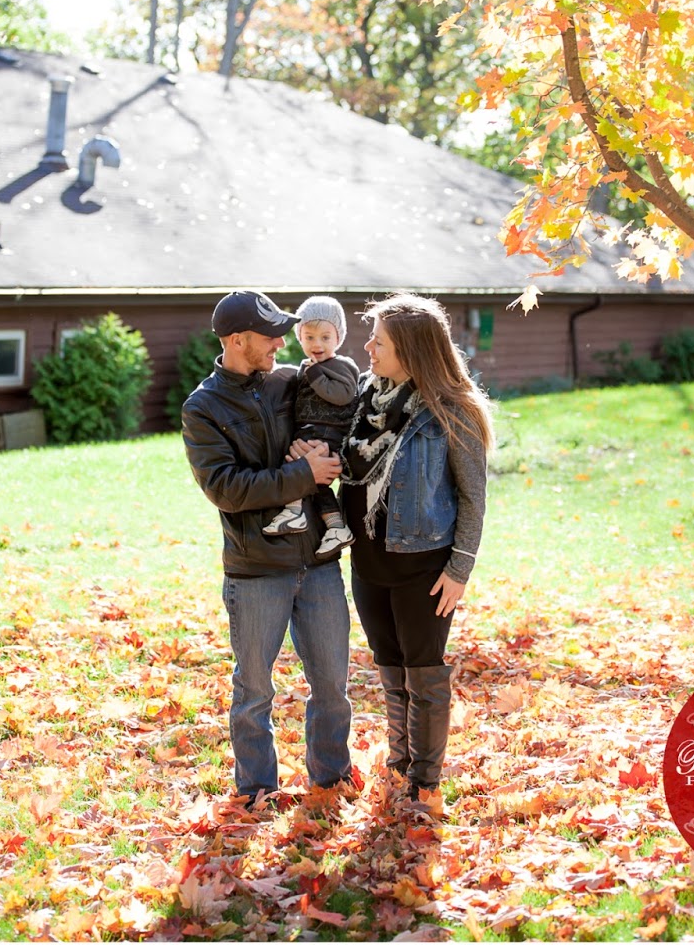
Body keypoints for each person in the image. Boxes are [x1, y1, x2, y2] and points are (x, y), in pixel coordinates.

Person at [181, 290, 352, 804]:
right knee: (254, 693)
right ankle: (256, 791)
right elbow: (227, 489)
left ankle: (332, 781)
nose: (283, 342)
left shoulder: (289, 381)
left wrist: (327, 451)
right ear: (236, 341)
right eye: (270, 334)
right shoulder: (203, 407)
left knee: (333, 690)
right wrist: (303, 474)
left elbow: (337, 414)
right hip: (256, 570)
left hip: (319, 559)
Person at [322, 293, 493, 805]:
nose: (368, 347)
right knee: (389, 665)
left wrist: (460, 568)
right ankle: (399, 763)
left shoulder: (451, 410)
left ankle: (425, 781)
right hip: (369, 560)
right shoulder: (366, 401)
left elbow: (473, 496)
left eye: (379, 340)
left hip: (426, 567)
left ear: (412, 350)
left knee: (424, 669)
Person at [264, 296, 360, 557]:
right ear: (300, 338)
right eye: (309, 337)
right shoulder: (306, 367)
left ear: (338, 338)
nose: (317, 344)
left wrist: (314, 373)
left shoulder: (342, 365)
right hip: (310, 431)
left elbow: (343, 395)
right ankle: (336, 527)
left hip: (329, 431)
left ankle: (294, 512)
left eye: (325, 337)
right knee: (317, 487)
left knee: (298, 467)